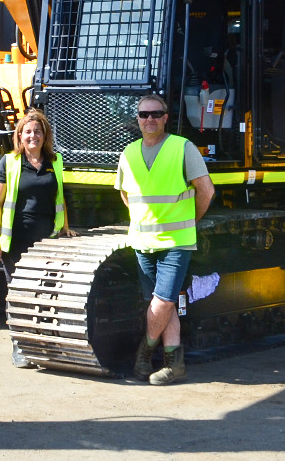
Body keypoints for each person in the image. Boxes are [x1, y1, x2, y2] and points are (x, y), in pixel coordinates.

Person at [115, 94, 214, 386]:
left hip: (176, 242)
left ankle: (144, 354)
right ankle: (174, 364)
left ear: (166, 117)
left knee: (162, 301)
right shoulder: (129, 153)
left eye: (156, 114)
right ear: (138, 119)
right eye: (144, 114)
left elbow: (206, 191)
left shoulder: (183, 148)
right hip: (143, 242)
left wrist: (189, 223)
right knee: (162, 304)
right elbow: (125, 192)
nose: (150, 119)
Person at [0, 108, 75, 367]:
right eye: (28, 132)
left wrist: (66, 228)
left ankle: (41, 345)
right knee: (19, 295)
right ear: (20, 135)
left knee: (44, 294)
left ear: (45, 135)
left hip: (47, 242)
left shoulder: (55, 162)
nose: (33, 136)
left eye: (38, 131)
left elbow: (60, 198)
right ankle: (20, 346)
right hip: (17, 241)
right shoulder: (9, 162)